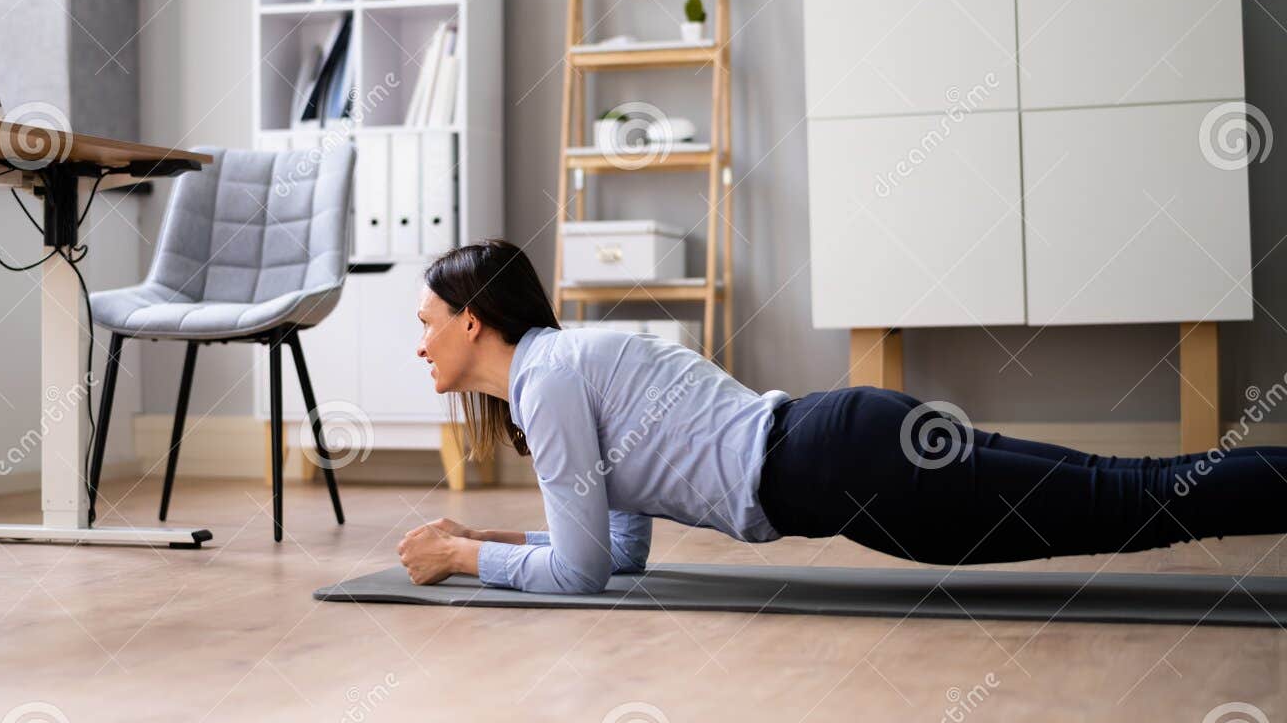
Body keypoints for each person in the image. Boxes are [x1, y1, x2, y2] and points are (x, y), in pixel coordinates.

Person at [395, 239, 1287, 594]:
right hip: (846, 458)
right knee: (1124, 494)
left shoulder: (548, 380)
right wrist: (489, 531)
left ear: (474, 320)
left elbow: (581, 577)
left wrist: (467, 557)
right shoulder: (563, 369)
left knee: (1133, 498)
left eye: (429, 322)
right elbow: (618, 550)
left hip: (848, 465)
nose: (422, 343)